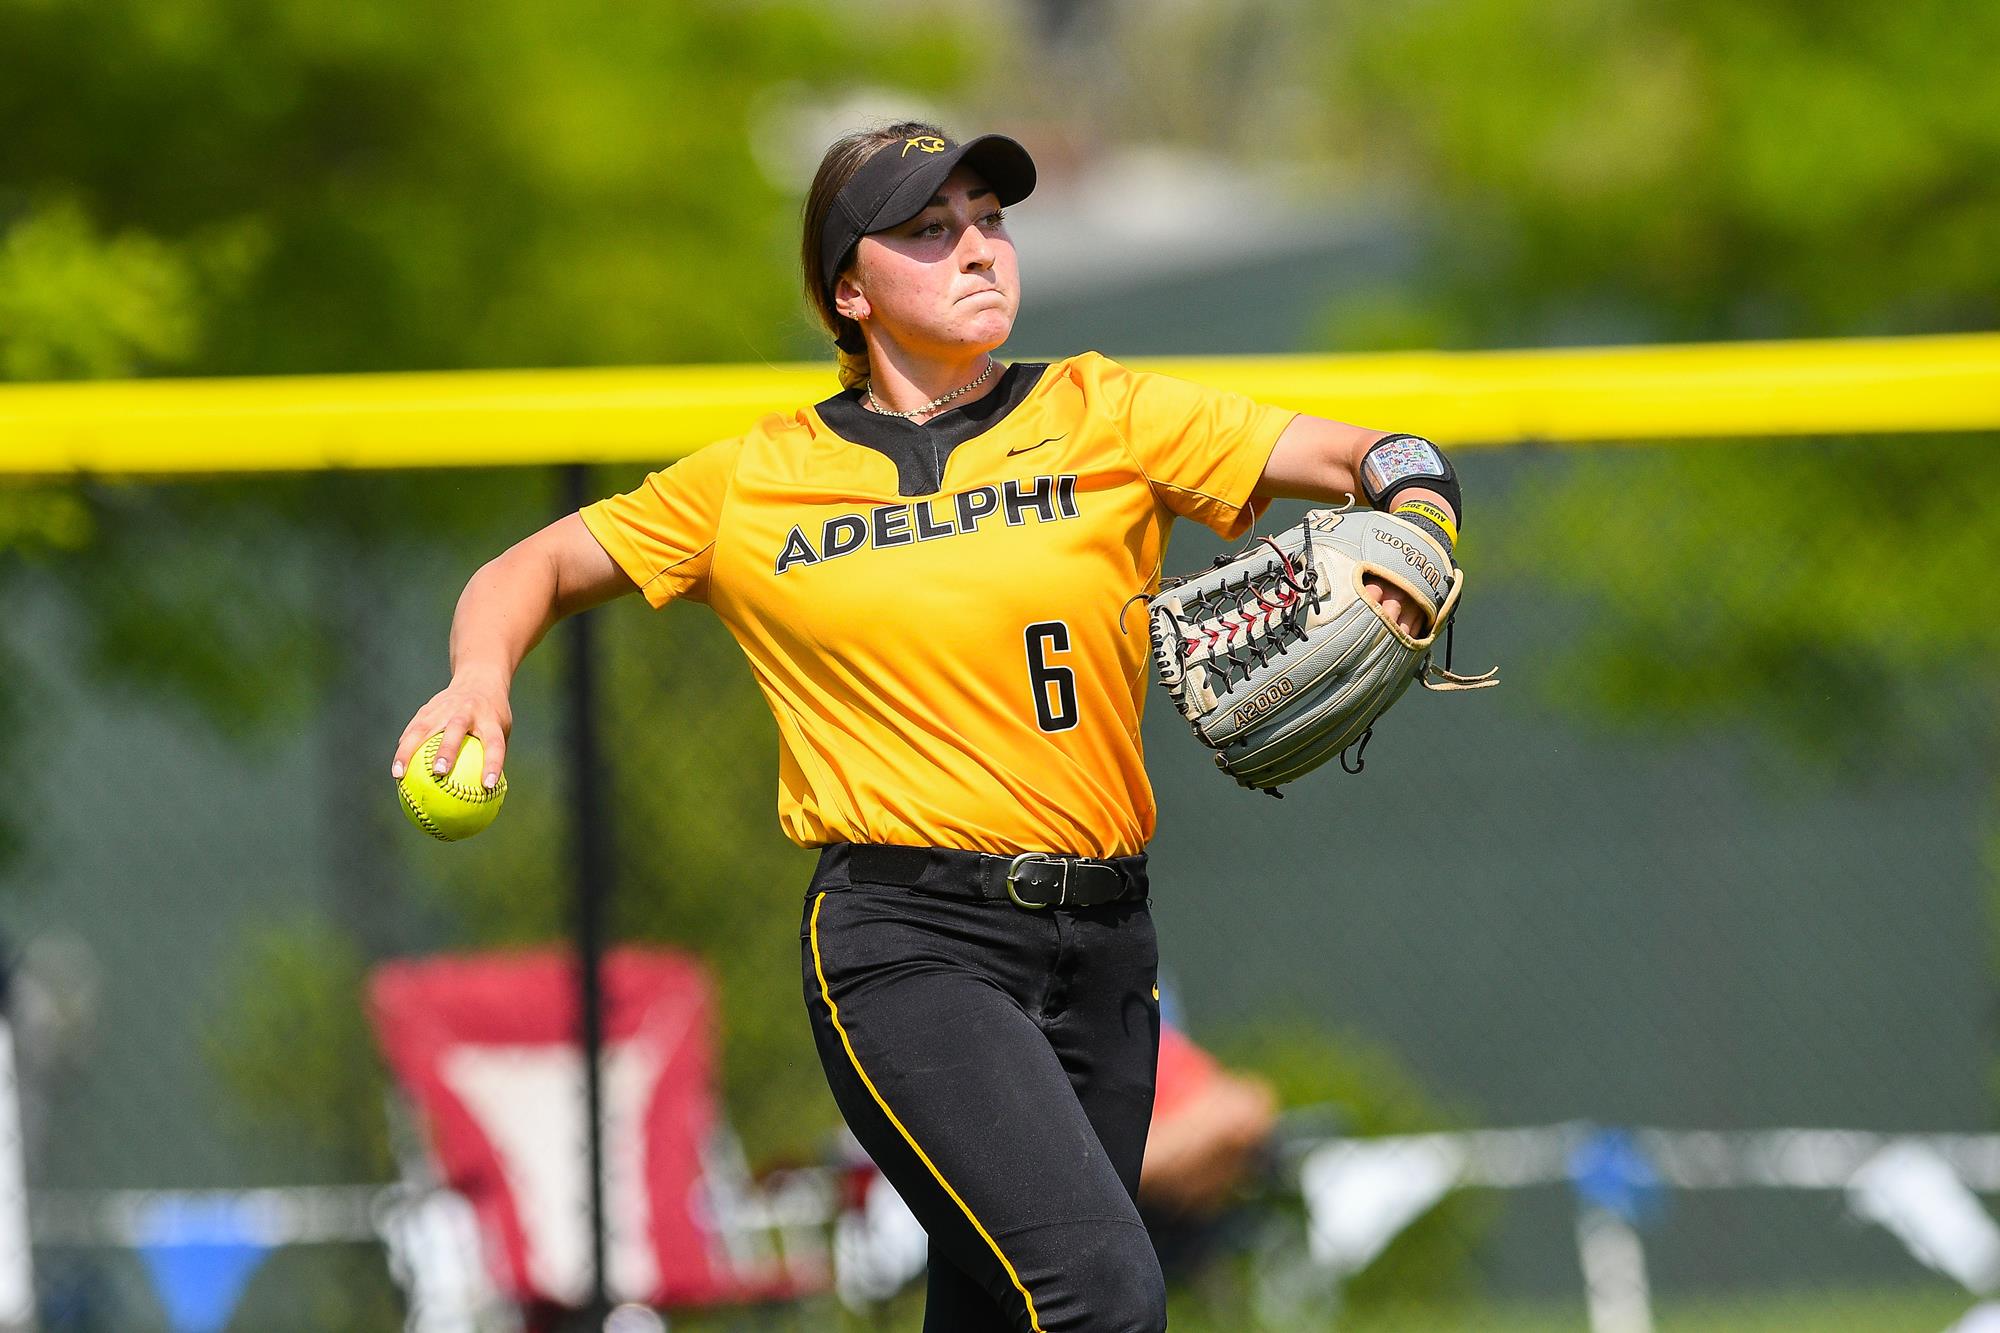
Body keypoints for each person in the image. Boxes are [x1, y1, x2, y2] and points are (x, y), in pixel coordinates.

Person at [391, 121, 1462, 1333]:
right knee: (1101, 1296)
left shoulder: (1103, 411)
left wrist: (1420, 517)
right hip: (908, 942)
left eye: (990, 221)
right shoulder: (756, 480)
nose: (977, 248)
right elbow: (527, 568)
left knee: (1002, 1313)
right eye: (928, 229)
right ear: (846, 291)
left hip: (1104, 944)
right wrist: (477, 679)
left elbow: (1372, 452)